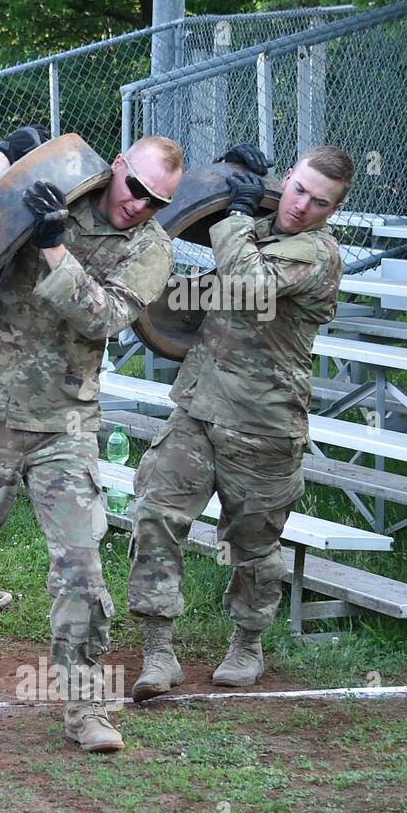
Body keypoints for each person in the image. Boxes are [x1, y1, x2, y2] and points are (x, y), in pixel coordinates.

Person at [0, 135, 185, 753]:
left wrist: (54, 248)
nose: (140, 206)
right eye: (136, 189)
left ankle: (86, 709)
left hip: (65, 424)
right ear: (117, 168)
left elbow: (104, 316)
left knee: (81, 568)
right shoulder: (52, 192)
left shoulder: (150, 248)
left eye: (156, 201)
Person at [126, 143, 352, 700]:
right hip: (200, 407)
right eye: (298, 189)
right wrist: (224, 181)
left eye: (319, 202)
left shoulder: (316, 254)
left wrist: (233, 214)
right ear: (288, 179)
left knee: (253, 545)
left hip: (265, 424)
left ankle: (247, 644)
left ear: (333, 211)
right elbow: (190, 230)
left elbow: (248, 283)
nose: (301, 206)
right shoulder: (256, 226)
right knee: (156, 515)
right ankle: (159, 652)